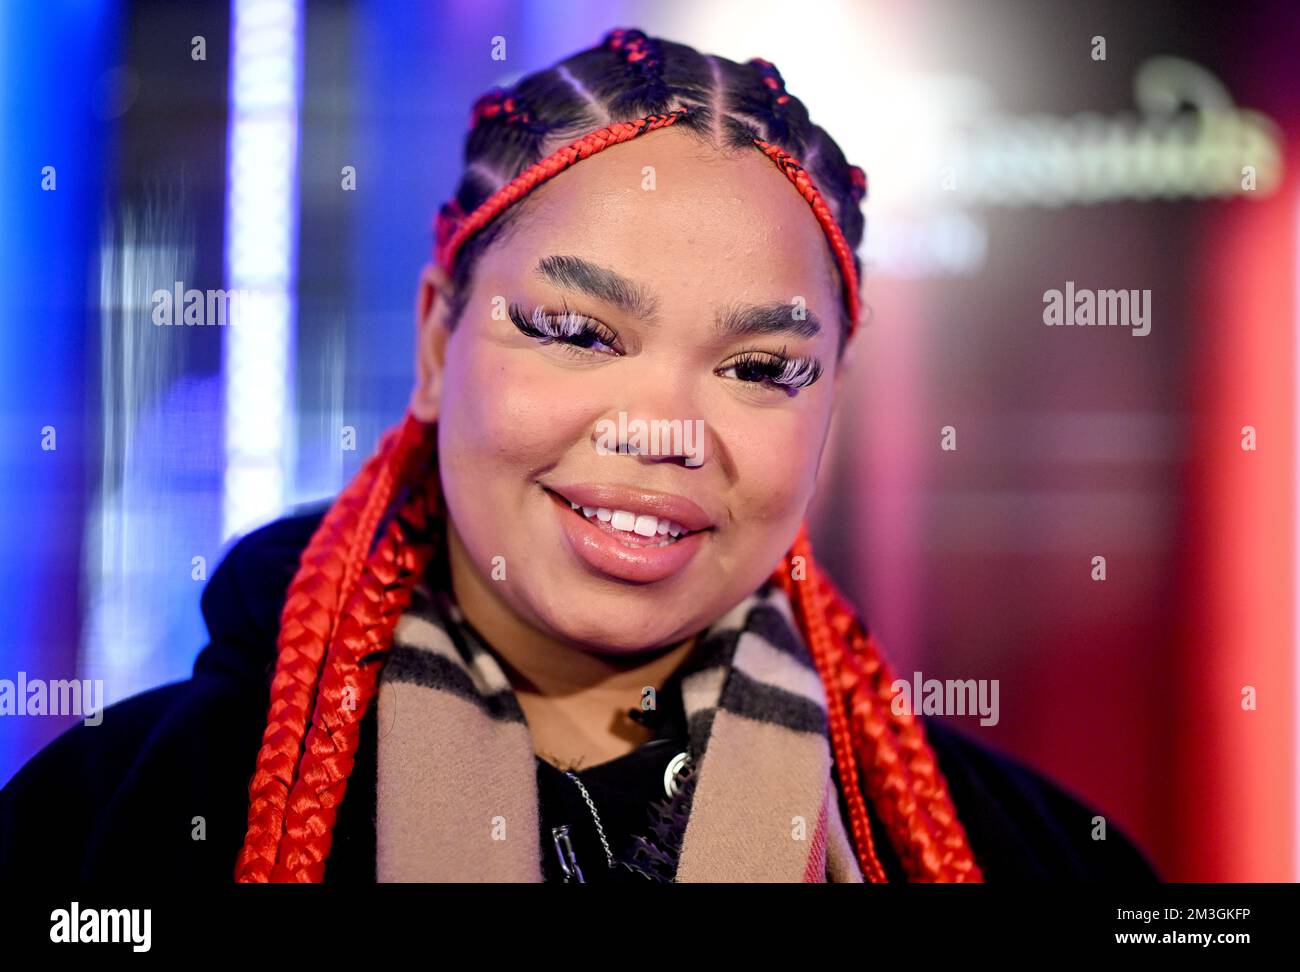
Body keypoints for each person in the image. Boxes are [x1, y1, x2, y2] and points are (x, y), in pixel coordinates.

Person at [0, 28, 1158, 883]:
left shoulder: (1029, 856)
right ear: (437, 342)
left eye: (761, 367)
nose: (662, 430)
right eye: (576, 332)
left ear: (831, 410)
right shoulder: (112, 827)